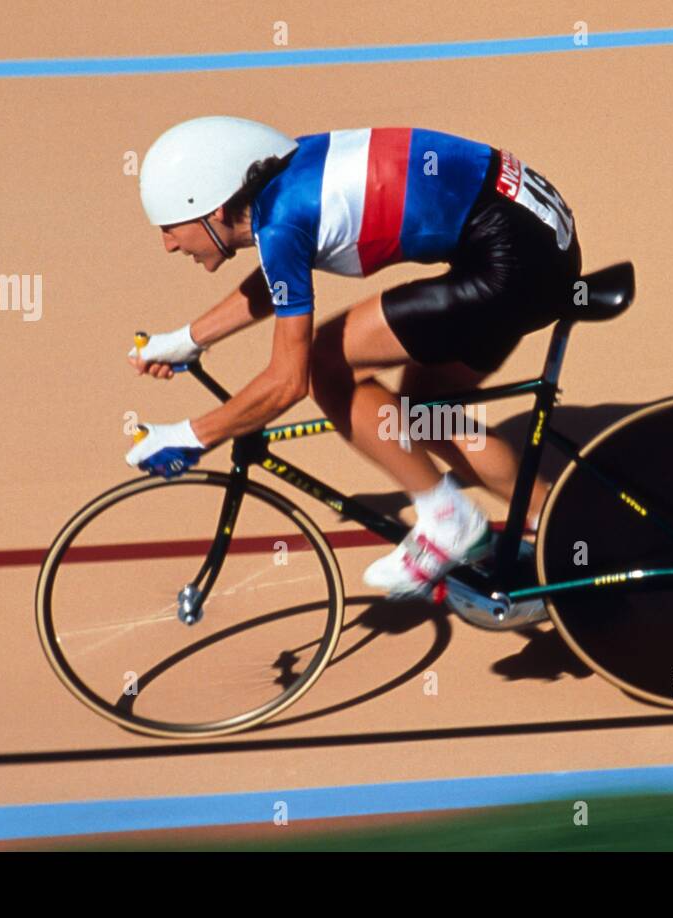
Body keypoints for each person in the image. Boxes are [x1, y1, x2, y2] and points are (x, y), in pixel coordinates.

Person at [126, 116, 581, 599]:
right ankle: (568, 536)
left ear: (213, 210)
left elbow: (288, 382)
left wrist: (193, 436)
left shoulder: (281, 222)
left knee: (325, 363)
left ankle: (448, 520)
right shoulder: (280, 182)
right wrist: (188, 339)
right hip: (535, 246)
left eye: (171, 227)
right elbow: (283, 272)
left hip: (509, 258)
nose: (168, 244)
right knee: (425, 416)